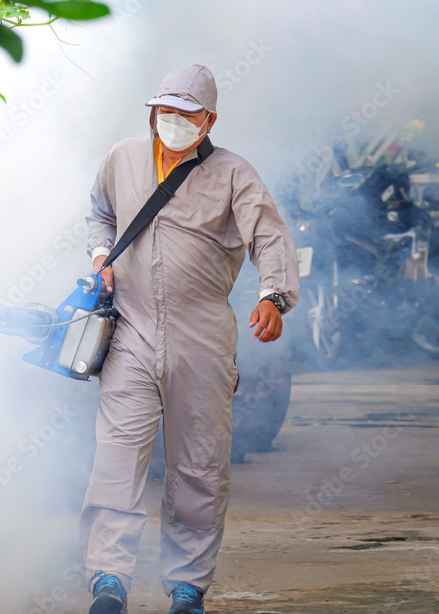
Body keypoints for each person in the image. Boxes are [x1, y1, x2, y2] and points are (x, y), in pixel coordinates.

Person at [80, 64, 300, 614]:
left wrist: (274, 296)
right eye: (164, 111)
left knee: (198, 467)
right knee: (116, 458)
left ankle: (186, 587)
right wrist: (100, 256)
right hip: (129, 330)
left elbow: (269, 235)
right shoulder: (122, 158)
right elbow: (99, 214)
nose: (172, 122)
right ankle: (109, 580)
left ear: (209, 121)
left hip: (201, 337)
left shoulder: (234, 174)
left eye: (185, 114)